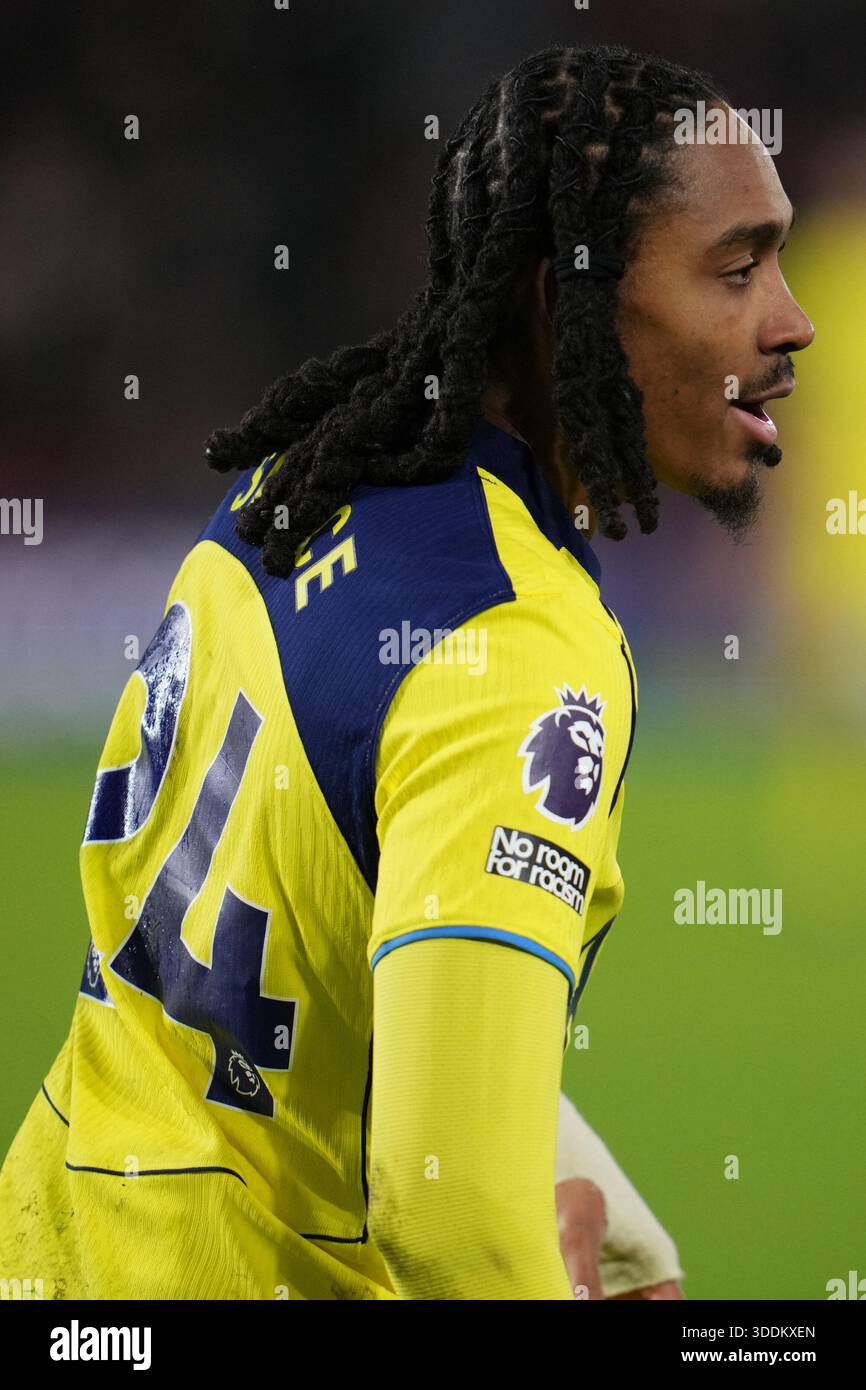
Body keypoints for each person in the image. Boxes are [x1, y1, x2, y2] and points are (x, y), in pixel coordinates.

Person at [0, 41, 812, 1300]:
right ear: (567, 303)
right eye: (737, 266)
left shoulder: (300, 479)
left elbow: (321, 957)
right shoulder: (517, 652)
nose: (789, 320)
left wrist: (580, 1187)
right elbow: (451, 1218)